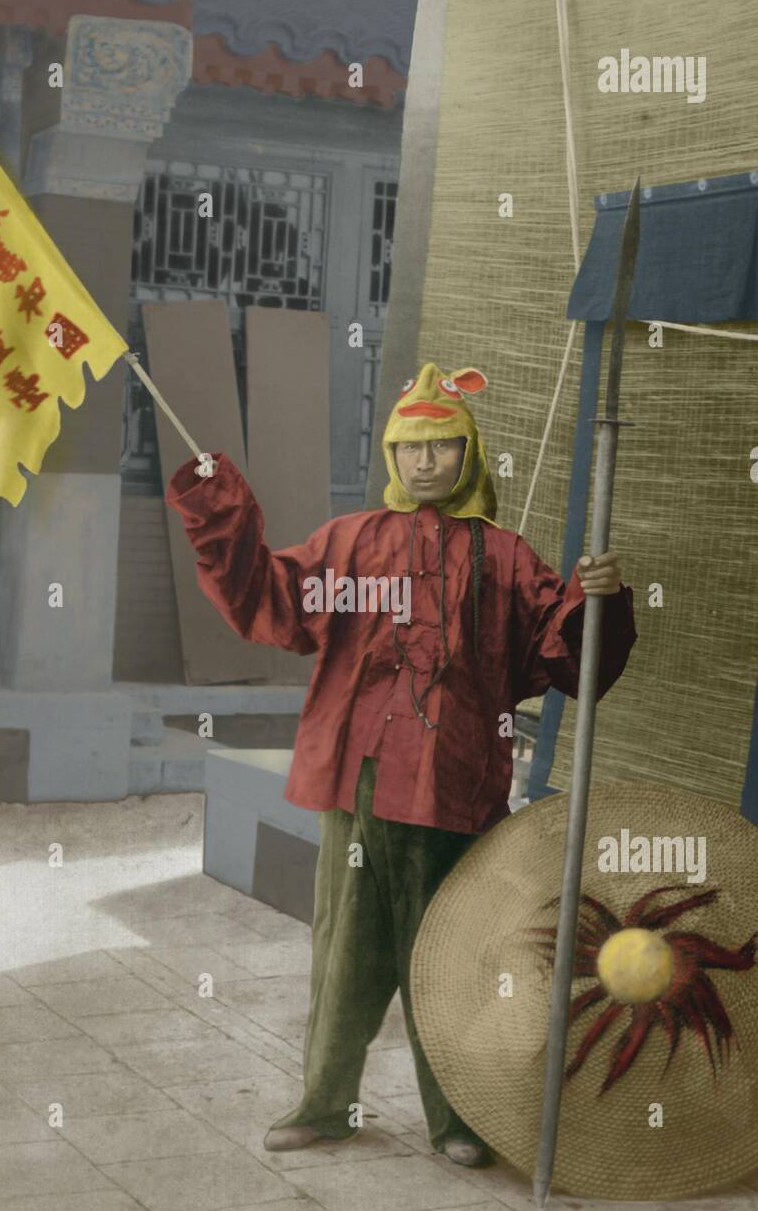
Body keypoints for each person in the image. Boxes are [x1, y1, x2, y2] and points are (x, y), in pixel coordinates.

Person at [165, 361, 637, 1167]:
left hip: (455, 785)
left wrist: (603, 599)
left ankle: (456, 1117)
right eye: (410, 447)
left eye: (443, 446)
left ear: (469, 453)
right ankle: (325, 1105)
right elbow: (271, 601)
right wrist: (222, 511)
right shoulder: (350, 545)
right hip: (357, 777)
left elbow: (566, 660)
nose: (425, 463)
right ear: (391, 456)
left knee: (447, 955)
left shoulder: (506, 557)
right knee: (346, 951)